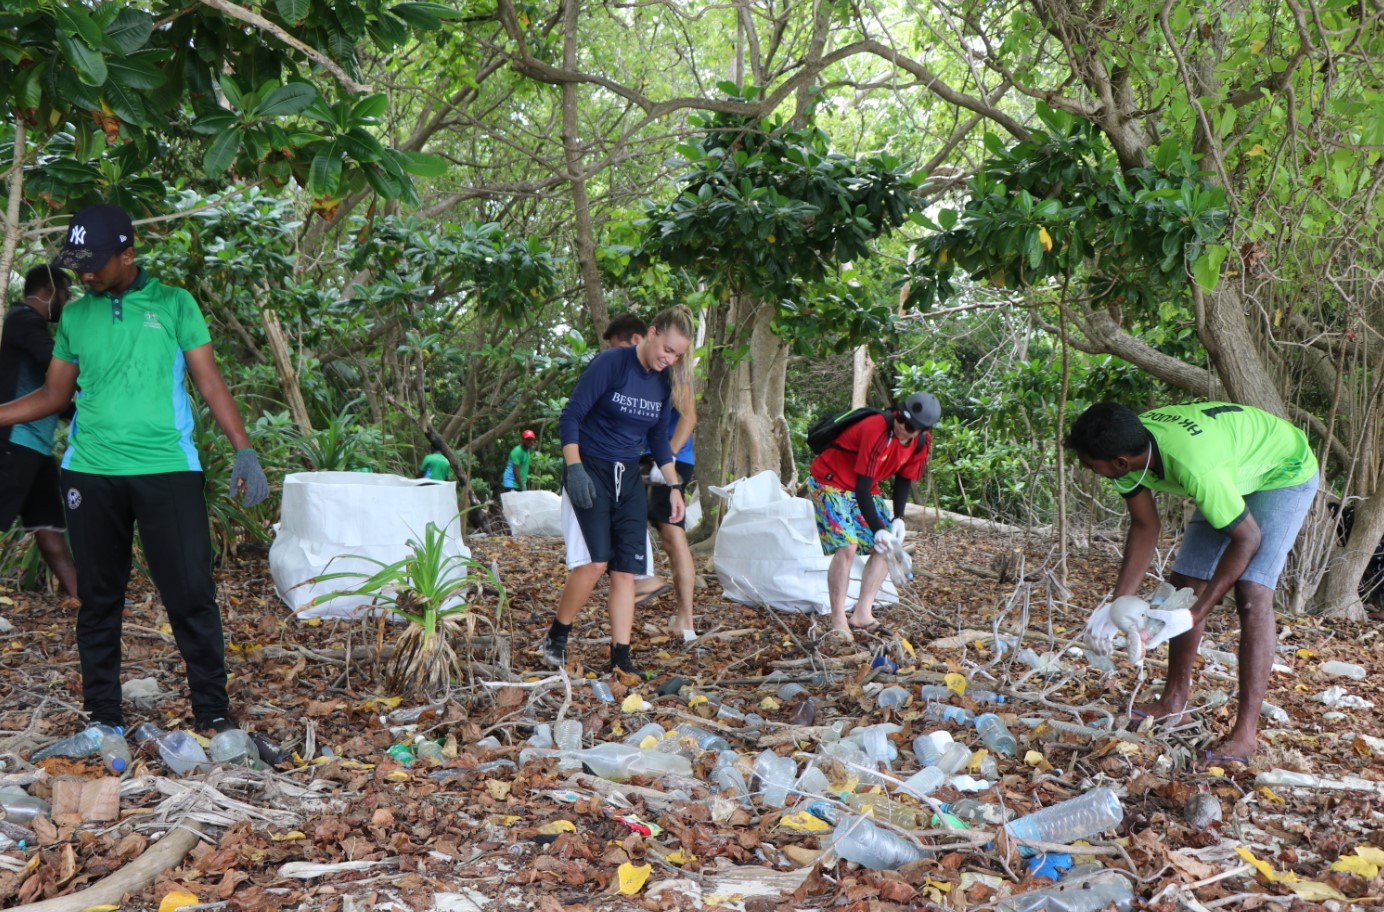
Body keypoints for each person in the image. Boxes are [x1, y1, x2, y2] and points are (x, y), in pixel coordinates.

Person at [0, 203, 270, 735]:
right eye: (77, 263)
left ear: (129, 253)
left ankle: (214, 717)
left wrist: (244, 448)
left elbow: (210, 381)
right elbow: (56, 394)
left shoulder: (174, 304)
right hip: (91, 472)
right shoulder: (76, 314)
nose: (85, 273)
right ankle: (104, 720)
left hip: (167, 469)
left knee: (191, 593)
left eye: (96, 262)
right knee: (98, 599)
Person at [1067, 401, 1319, 765]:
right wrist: (1117, 604)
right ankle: (1174, 702)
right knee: (1186, 580)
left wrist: (1196, 613)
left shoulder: (1195, 467)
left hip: (1282, 470)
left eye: (1091, 465)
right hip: (1230, 466)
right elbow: (1145, 525)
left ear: (1120, 462)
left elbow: (1247, 539)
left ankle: (1246, 734)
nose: (1089, 469)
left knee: (1252, 591)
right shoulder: (1127, 448)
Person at [541, 306, 693, 674]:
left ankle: (620, 659)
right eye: (667, 349)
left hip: (628, 475)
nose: (669, 359)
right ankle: (557, 636)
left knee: (626, 569)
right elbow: (571, 415)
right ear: (652, 332)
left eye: (677, 355)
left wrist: (673, 485)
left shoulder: (663, 380)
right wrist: (574, 467)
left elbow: (658, 437)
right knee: (596, 562)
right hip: (590, 467)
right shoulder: (612, 363)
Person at [808, 392, 940, 640]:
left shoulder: (921, 443)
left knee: (886, 546)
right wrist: (879, 527)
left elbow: (904, 479)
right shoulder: (876, 428)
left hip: (865, 488)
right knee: (847, 547)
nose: (902, 427)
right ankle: (838, 620)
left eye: (911, 427)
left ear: (923, 431)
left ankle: (862, 613)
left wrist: (898, 518)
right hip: (829, 480)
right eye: (901, 419)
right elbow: (861, 487)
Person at [0, 265, 79, 601]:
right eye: (66, 293)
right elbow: (55, 367)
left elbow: (56, 396)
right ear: (50, 290)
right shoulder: (23, 320)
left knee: (49, 527)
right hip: (13, 443)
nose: (68, 300)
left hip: (35, 448)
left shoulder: (31, 326)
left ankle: (84, 598)